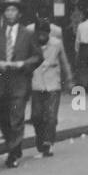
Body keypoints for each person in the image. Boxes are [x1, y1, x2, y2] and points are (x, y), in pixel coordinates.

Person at [0, 0, 42, 168]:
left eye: (14, 10)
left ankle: (13, 152)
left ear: (19, 13)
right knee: (3, 119)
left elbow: (38, 56)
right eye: (7, 10)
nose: (10, 13)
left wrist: (23, 64)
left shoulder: (28, 34)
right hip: (0, 81)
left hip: (20, 81)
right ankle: (11, 143)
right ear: (3, 13)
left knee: (17, 117)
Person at [30, 19, 73, 157]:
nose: (42, 35)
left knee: (51, 116)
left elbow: (64, 62)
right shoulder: (31, 44)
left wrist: (69, 80)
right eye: (40, 33)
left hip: (53, 84)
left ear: (49, 33)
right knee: (36, 116)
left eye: (45, 33)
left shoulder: (56, 44)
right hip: (36, 84)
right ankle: (40, 139)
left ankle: (48, 143)